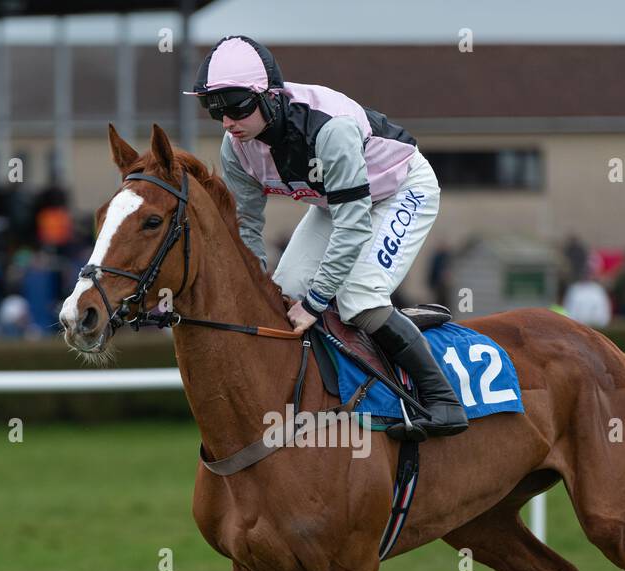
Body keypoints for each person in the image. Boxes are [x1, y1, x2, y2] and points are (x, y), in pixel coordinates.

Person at [187, 35, 465, 440]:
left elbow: (353, 227)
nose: (228, 122)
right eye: (216, 112)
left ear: (270, 97)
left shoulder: (328, 129)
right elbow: (246, 226)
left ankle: (444, 403)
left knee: (359, 298)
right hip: (336, 203)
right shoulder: (236, 148)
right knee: (281, 293)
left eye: (236, 107)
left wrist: (316, 303)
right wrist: (250, 291)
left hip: (401, 189)